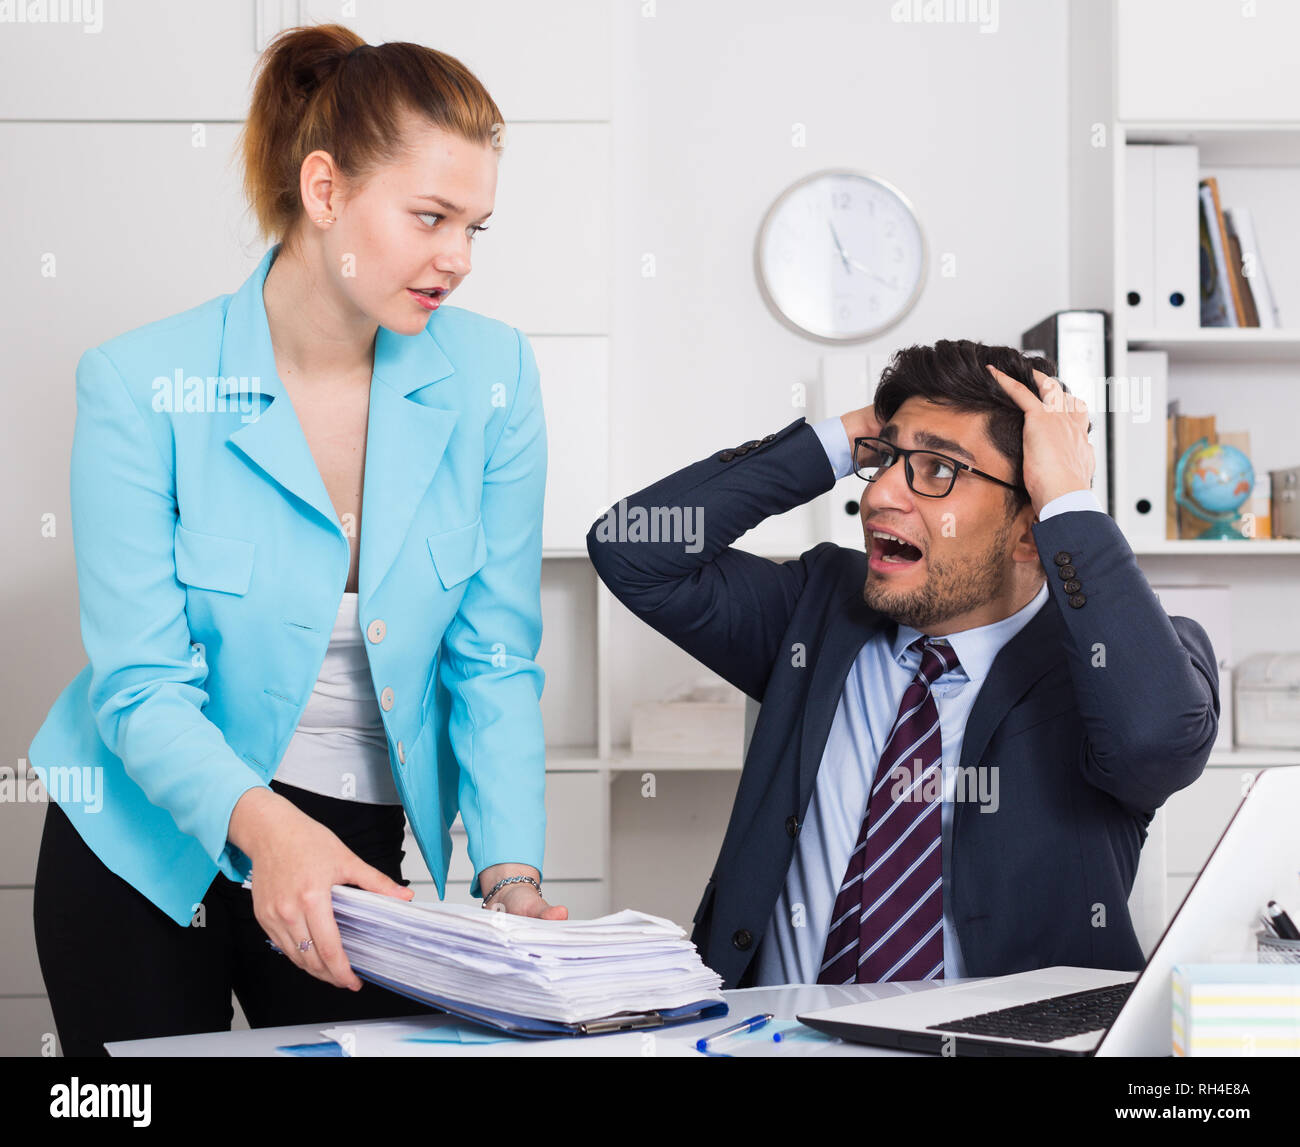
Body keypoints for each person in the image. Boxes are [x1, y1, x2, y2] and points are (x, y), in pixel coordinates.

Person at [29, 24, 563, 1057]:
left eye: (475, 227)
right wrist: (266, 830)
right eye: (429, 216)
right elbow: (138, 683)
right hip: (140, 841)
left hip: (354, 844)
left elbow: (493, 657)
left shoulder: (494, 378)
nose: (455, 257)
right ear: (325, 192)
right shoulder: (141, 384)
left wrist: (511, 874)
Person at [587, 339, 1219, 990]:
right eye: (885, 461)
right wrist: (849, 436)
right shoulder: (821, 608)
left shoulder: (1110, 662)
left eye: (938, 469)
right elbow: (632, 548)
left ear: (1030, 529)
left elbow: (1154, 739)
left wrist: (1066, 497)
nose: (882, 493)